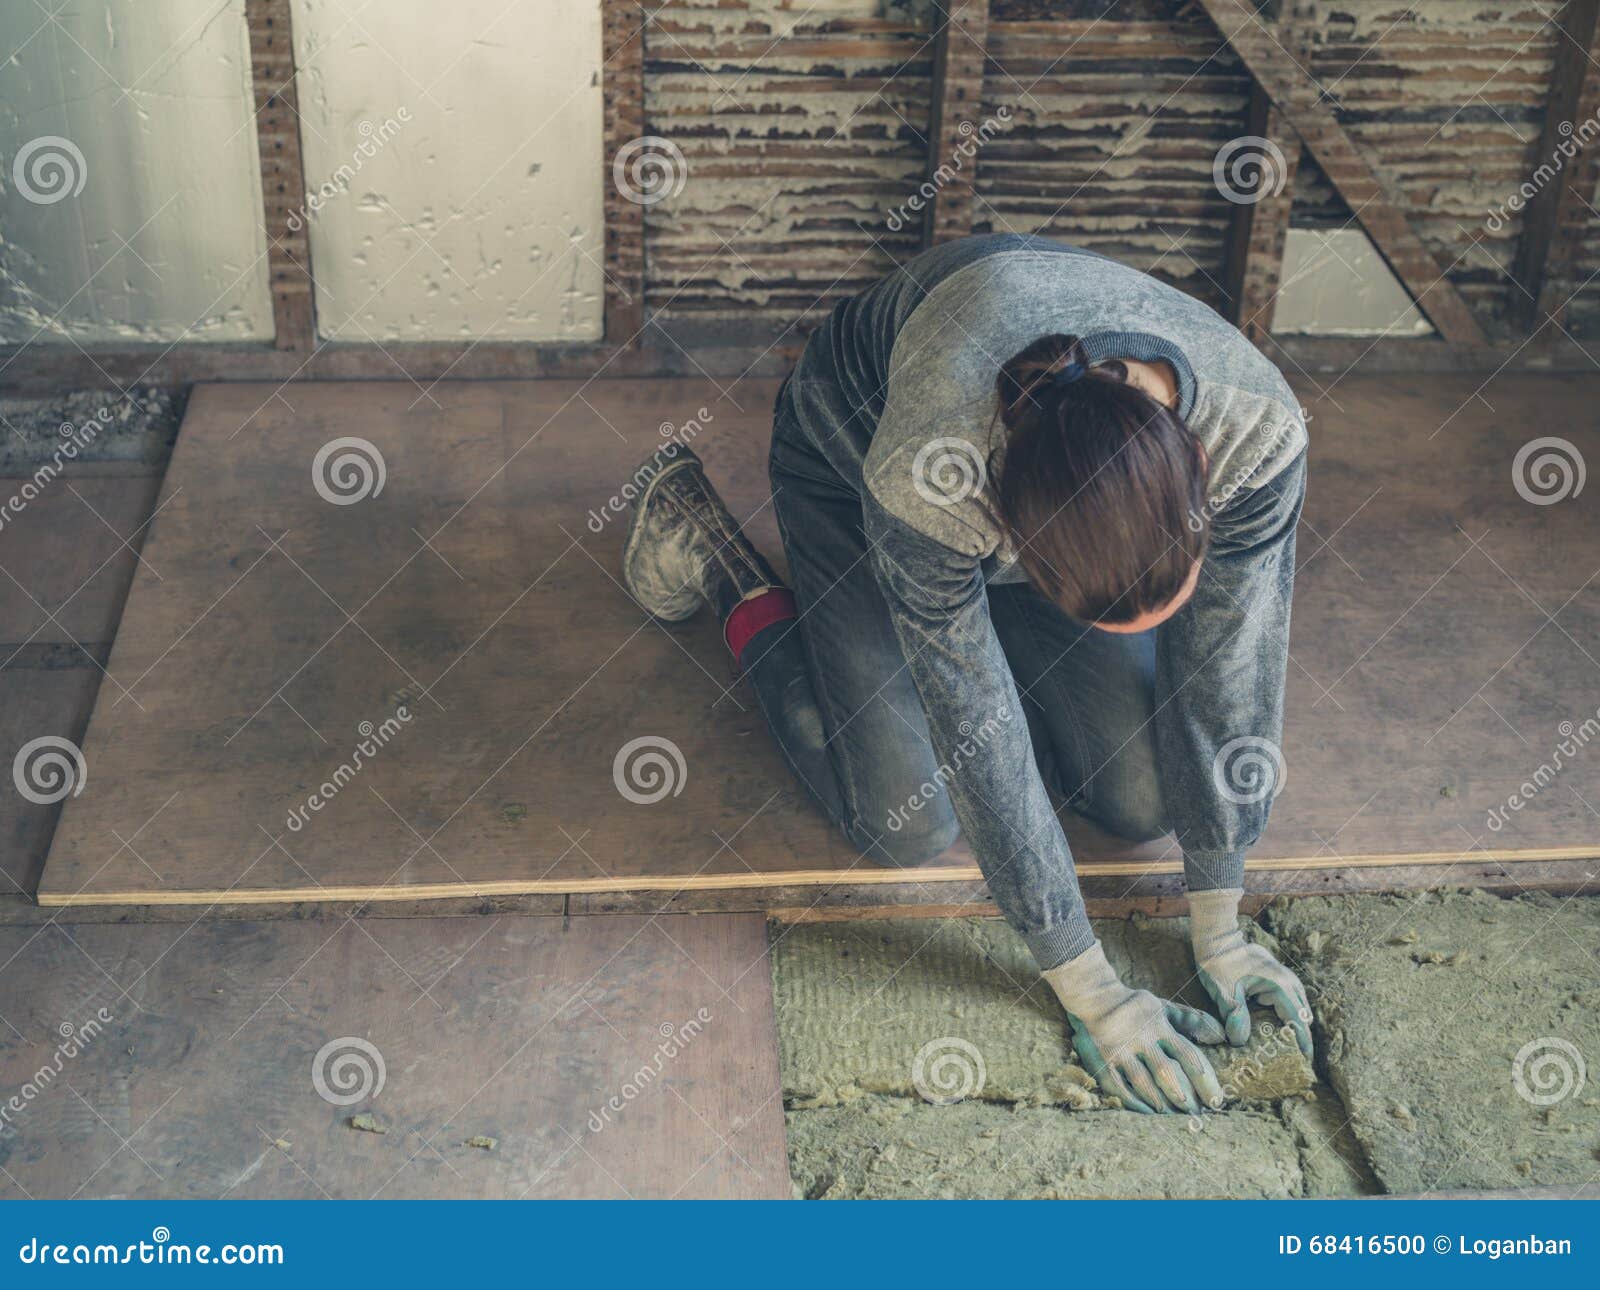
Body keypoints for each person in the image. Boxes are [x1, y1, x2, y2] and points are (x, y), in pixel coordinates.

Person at [620, 233, 1313, 1115]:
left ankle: (1015, 622)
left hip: (1038, 498)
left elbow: (1228, 666)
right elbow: (973, 721)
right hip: (848, 463)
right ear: (1014, 534)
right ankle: (719, 557)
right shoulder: (930, 474)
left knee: (1144, 801)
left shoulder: (1259, 429)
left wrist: (1221, 921)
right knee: (906, 821)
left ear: (1202, 472)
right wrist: (1092, 990)